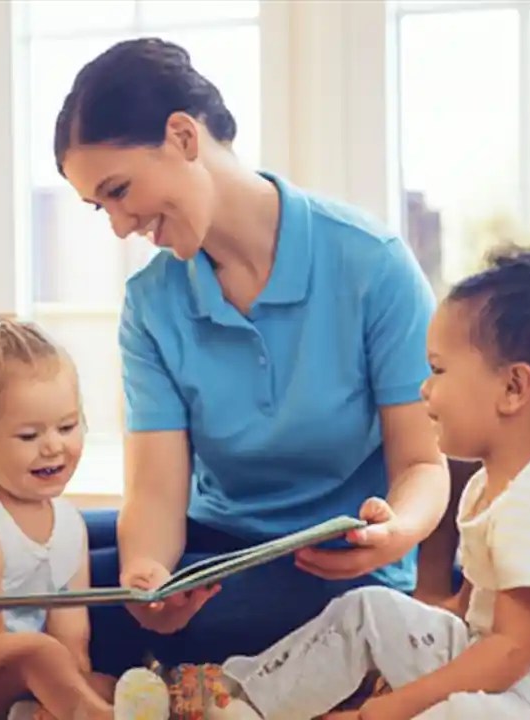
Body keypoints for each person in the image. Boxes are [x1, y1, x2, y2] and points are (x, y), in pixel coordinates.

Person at [52, 36, 451, 674]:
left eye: (120, 191)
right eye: (102, 208)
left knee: (68, 615)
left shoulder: (371, 263)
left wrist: (394, 533)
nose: (121, 226)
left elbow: (422, 464)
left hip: (336, 563)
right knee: (31, 565)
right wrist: (146, 579)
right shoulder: (153, 302)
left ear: (183, 137)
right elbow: (156, 490)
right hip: (212, 543)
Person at [213, 248, 530, 719]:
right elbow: (477, 610)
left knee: (455, 713)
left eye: (438, 370)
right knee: (372, 610)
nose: (424, 388)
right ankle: (249, 703)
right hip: (511, 681)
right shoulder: (490, 483)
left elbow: (510, 650)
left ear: (513, 389)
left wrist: (392, 707)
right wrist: (416, 632)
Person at [0, 316, 172, 720]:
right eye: (29, 436)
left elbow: (73, 641)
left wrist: (73, 683)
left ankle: (53, 711)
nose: (53, 446)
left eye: (67, 426)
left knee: (98, 678)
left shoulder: (69, 527)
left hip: (28, 664)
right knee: (39, 653)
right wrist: (56, 676)